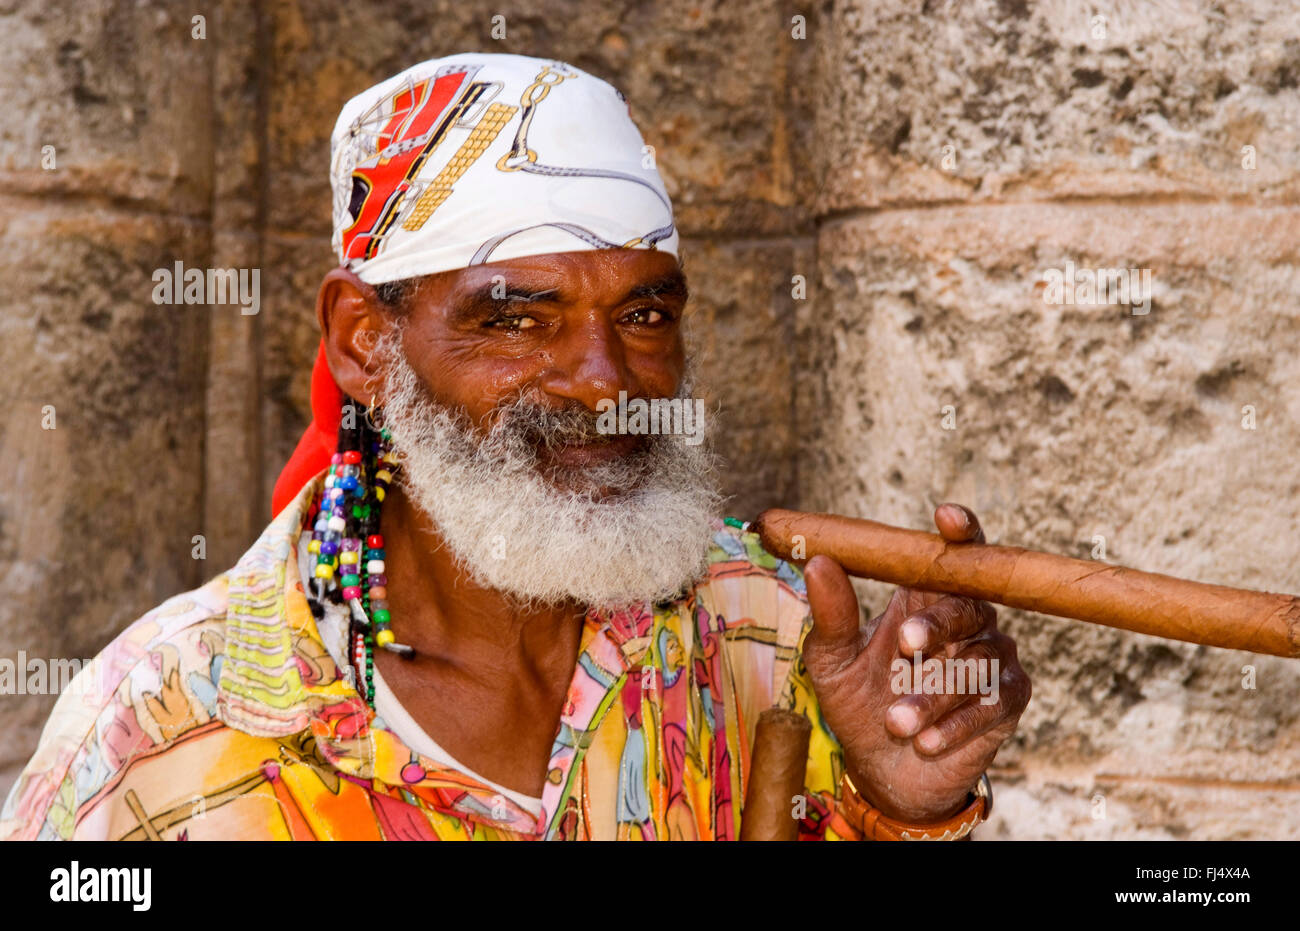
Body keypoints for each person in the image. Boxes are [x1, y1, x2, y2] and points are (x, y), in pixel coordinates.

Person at [1, 52, 1029, 841]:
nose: (603, 381)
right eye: (517, 319)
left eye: (643, 315)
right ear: (366, 342)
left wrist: (899, 804)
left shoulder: (774, 640)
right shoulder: (155, 737)